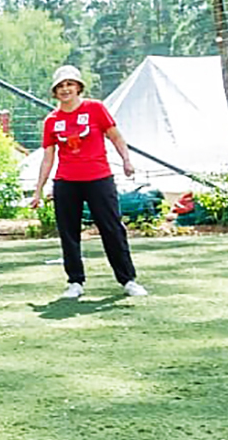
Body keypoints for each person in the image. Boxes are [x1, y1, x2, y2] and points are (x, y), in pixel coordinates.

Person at [30, 65, 148, 299]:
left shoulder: (95, 108)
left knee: (112, 229)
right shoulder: (52, 120)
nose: (66, 90)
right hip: (66, 182)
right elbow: (47, 157)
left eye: (70, 85)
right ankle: (75, 282)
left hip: (99, 179)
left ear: (78, 87)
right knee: (69, 233)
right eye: (61, 86)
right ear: (55, 92)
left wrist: (126, 160)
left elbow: (115, 136)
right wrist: (38, 190)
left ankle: (128, 280)